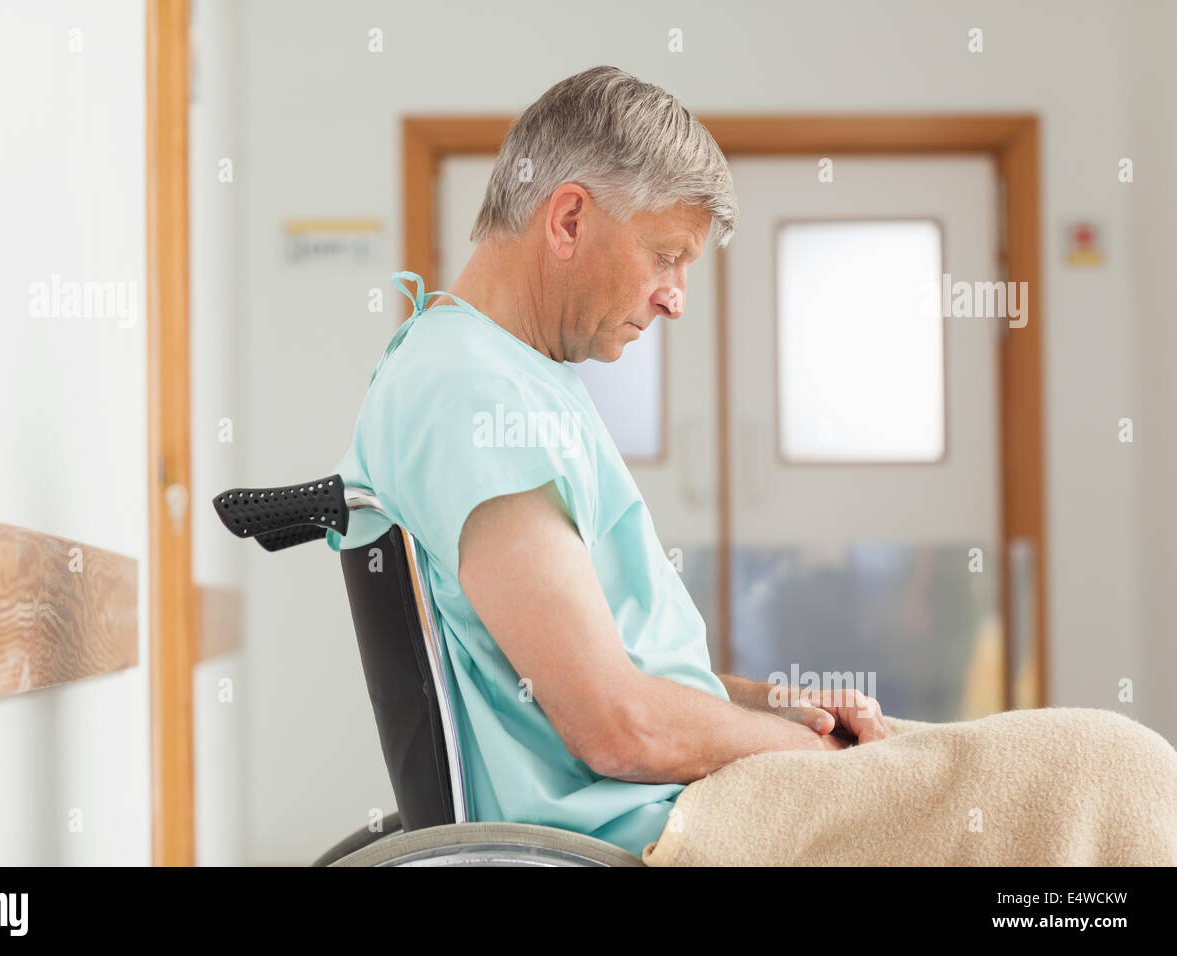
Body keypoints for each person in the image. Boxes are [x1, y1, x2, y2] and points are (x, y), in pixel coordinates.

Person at [328, 65, 889, 857]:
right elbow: (614, 725)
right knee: (1085, 769)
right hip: (661, 828)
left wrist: (773, 707)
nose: (676, 297)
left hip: (687, 797)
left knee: (1048, 764)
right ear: (567, 221)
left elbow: (611, 671)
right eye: (666, 256)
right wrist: (815, 755)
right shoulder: (470, 392)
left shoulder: (513, 374)